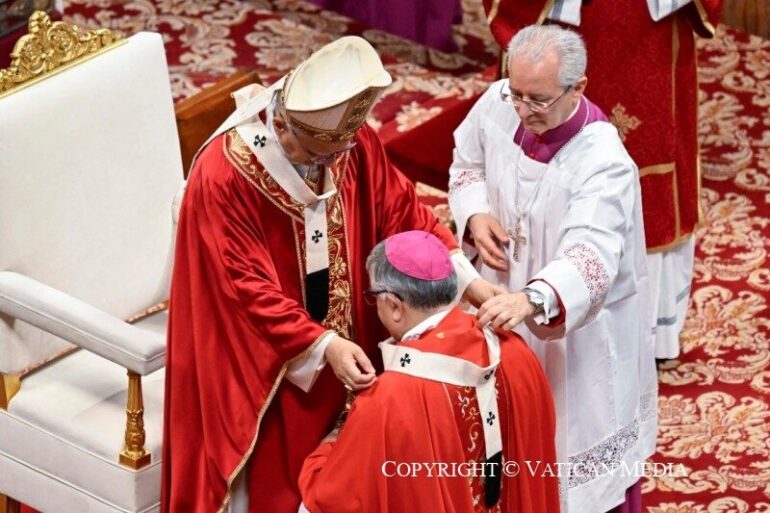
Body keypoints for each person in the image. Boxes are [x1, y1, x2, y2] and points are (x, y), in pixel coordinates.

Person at [161, 36, 500, 513]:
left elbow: (401, 209)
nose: (330, 166)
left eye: (336, 154)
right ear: (281, 123)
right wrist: (323, 345)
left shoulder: (345, 141)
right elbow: (243, 288)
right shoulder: (225, 175)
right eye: (318, 157)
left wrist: (466, 280)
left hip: (350, 340)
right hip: (265, 362)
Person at [448, 25, 657, 513]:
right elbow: (467, 161)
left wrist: (533, 298)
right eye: (515, 93)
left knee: (569, 438)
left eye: (537, 100)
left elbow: (591, 252)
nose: (521, 111)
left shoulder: (603, 161)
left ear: (578, 87)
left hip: (573, 329)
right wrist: (476, 213)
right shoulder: (501, 101)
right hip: (504, 296)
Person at [481, 0, 722, 358]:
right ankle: (547, 299)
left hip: (647, 27)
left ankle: (652, 336)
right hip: (572, 26)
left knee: (652, 154)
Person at [298, 230, 560, 513]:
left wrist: (330, 446)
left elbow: (332, 499)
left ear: (395, 306)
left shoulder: (388, 399)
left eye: (374, 296)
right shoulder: (516, 350)